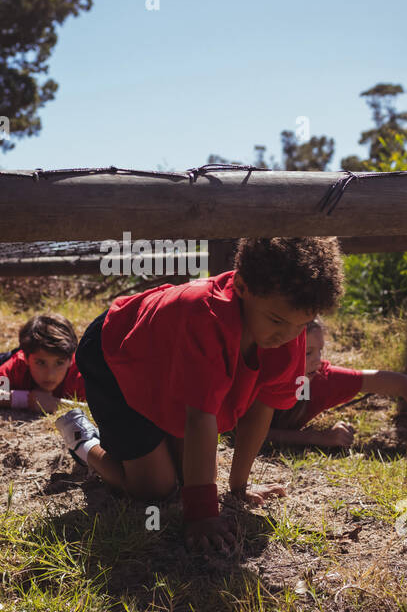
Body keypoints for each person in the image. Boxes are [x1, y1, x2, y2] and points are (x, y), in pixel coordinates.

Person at [56, 237, 343, 553]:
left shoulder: (287, 334)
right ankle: (82, 439)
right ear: (242, 286)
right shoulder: (205, 316)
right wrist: (202, 514)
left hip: (166, 361)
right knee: (156, 489)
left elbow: (265, 405)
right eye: (276, 321)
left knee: (185, 476)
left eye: (300, 325)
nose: (287, 336)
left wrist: (239, 486)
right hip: (116, 352)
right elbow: (200, 416)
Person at [266, 320, 407, 463]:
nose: (318, 360)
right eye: (308, 352)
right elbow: (244, 434)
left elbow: (405, 384)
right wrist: (318, 437)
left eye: (320, 351)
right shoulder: (263, 374)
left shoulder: (322, 378)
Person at [0, 314, 85, 415]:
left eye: (59, 363)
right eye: (41, 363)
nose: (50, 375)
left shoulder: (81, 375)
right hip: (9, 358)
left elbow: (101, 407)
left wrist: (56, 404)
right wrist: (24, 399)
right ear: (26, 359)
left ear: (70, 360)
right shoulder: (18, 364)